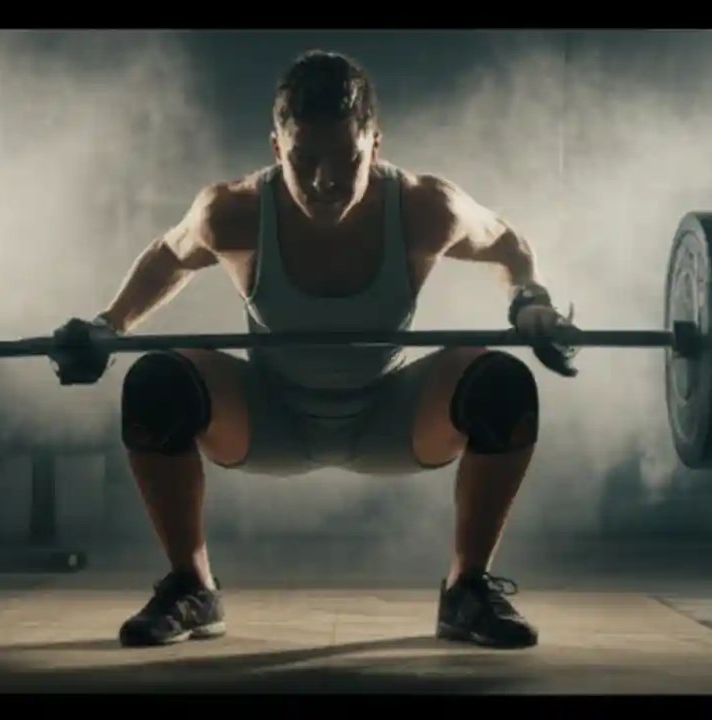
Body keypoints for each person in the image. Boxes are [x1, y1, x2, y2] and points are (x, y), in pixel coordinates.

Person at [50, 49, 579, 650]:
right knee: (155, 383)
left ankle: (467, 590)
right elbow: (168, 256)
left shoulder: (426, 208)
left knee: (502, 384)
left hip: (391, 415)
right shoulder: (232, 212)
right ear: (277, 149)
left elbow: (508, 244)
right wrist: (108, 325)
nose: (325, 180)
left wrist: (530, 303)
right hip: (266, 414)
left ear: (374, 146)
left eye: (346, 161)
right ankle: (191, 587)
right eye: (304, 160)